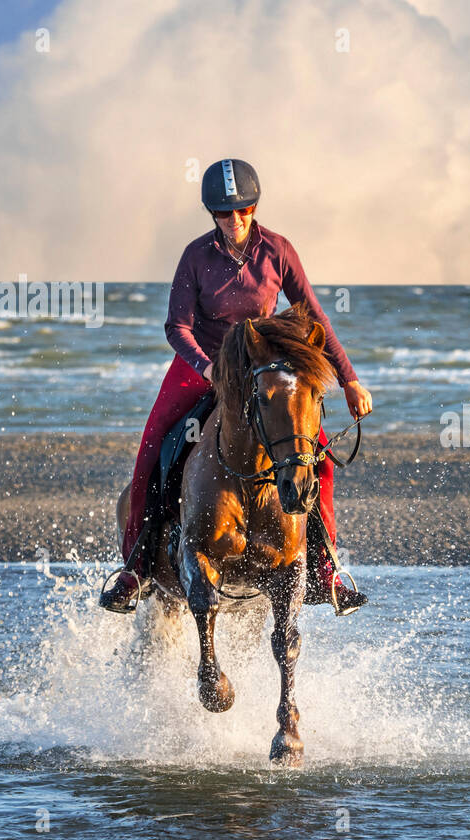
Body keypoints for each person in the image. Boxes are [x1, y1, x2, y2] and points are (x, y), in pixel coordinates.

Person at [99, 158, 371, 614]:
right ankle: (136, 568)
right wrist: (207, 368)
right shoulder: (196, 256)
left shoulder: (278, 250)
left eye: (244, 210)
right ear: (212, 214)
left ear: (255, 207)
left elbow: (314, 317)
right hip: (201, 365)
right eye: (226, 213)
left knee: (316, 457)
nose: (236, 220)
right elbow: (176, 326)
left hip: (260, 365)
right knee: (152, 451)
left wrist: (349, 379)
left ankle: (326, 571)